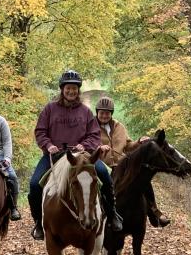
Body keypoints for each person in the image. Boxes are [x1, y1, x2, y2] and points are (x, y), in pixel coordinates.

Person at [28, 69, 123, 241]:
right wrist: (48, 145)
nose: (71, 91)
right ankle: (38, 222)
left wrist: (84, 145)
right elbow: (40, 131)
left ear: (78, 90)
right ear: (62, 89)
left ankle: (112, 214)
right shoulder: (49, 109)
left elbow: (94, 134)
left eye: (74, 88)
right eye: (68, 88)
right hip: (55, 155)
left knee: (104, 175)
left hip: (81, 156)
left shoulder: (85, 112)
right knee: (35, 184)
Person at [94, 96, 169, 227]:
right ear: (97, 112)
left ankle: (154, 212)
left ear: (111, 113)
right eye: (102, 113)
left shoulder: (119, 127)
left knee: (143, 177)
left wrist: (139, 142)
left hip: (122, 165)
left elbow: (128, 146)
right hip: (103, 165)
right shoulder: (90, 127)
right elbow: (87, 145)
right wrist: (98, 149)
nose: (104, 116)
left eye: (107, 113)